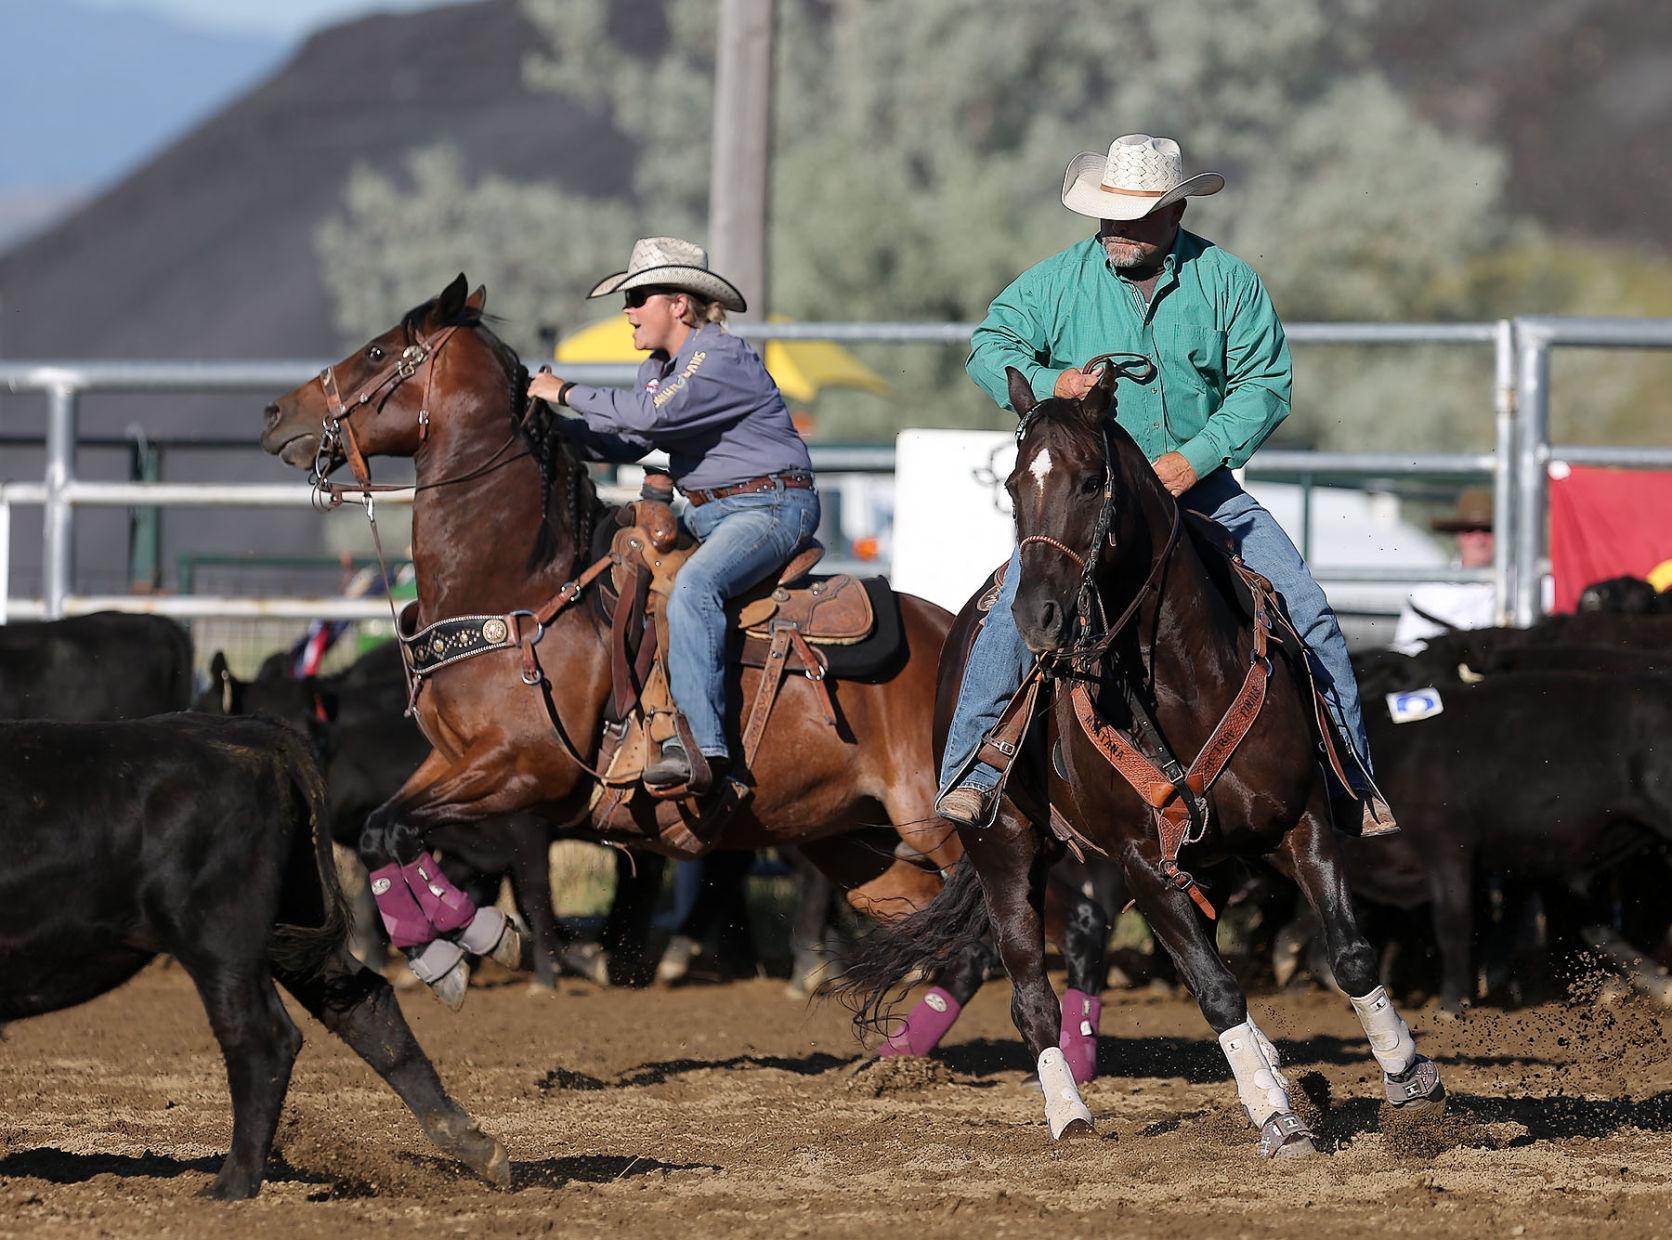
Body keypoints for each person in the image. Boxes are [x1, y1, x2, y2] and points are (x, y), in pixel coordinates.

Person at [936, 133, 1395, 837]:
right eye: (1109, 213)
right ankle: (972, 770)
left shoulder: (1227, 282)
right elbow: (988, 345)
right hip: (1086, 498)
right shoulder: (1057, 281)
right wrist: (1055, 384)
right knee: (1015, 610)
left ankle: (1348, 780)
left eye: (1135, 213)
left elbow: (1263, 387)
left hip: (1200, 490)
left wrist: (1194, 458)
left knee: (1305, 607)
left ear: (1173, 214)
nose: (1116, 229)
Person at [529, 237, 819, 793]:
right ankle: (639, 723)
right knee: (622, 571)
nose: (627, 310)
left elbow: (645, 416)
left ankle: (702, 748)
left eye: (638, 296)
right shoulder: (662, 369)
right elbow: (628, 440)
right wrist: (550, 429)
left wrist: (561, 390)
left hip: (771, 507)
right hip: (716, 513)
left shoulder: (717, 357)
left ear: (679, 305)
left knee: (693, 589)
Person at [1392, 488, 1498, 652]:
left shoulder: (1529, 590)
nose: (1479, 539)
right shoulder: (1428, 594)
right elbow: (1408, 654)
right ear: (1458, 535)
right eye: (1469, 530)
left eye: (1487, 530)